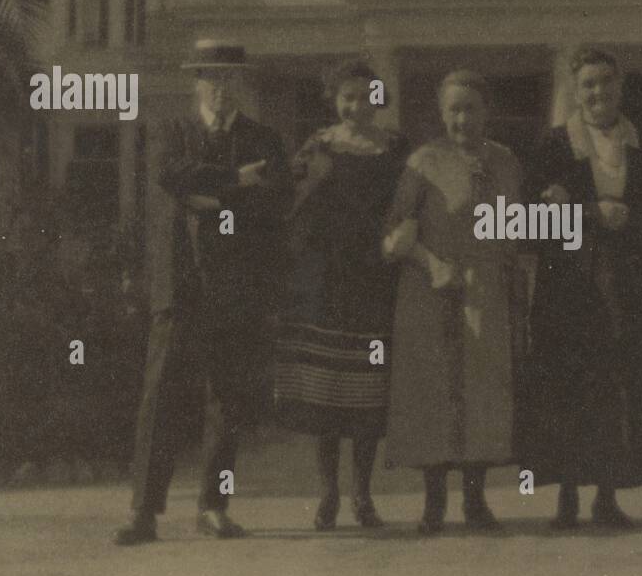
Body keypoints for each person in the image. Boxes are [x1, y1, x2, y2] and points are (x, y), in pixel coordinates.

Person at [115, 39, 290, 545]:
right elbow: (170, 174)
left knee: (227, 400)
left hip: (237, 287)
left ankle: (214, 506)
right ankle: (143, 511)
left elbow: (276, 202)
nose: (220, 87)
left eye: (230, 77)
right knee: (160, 396)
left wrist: (207, 196)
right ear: (195, 83)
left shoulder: (264, 139)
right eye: (210, 77)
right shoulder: (173, 131)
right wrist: (236, 180)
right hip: (179, 282)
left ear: (243, 83)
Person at [517, 47, 642, 528]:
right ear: (575, 90)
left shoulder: (640, 143)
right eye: (588, 84)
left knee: (617, 386)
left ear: (620, 85)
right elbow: (525, 223)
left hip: (626, 284)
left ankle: (607, 496)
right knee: (568, 386)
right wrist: (587, 213)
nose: (598, 92)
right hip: (568, 288)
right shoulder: (553, 146)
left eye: (606, 81)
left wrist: (632, 219)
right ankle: (565, 495)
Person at [381, 69, 523, 535]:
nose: (463, 119)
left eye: (471, 109)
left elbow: (515, 227)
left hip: (484, 289)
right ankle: (434, 503)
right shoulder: (423, 162)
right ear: (442, 114)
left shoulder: (505, 161)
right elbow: (395, 232)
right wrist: (430, 262)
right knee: (433, 391)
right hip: (431, 288)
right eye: (453, 110)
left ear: (487, 112)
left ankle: (476, 501)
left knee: (482, 392)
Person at [276, 57, 408, 530]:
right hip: (328, 280)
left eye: (365, 97)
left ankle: (363, 495)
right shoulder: (317, 147)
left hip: (375, 278)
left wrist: (398, 236)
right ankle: (329, 491)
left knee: (368, 394)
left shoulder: (394, 149)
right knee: (328, 392)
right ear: (334, 100)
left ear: (379, 100)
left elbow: (409, 205)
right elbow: (293, 206)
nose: (356, 106)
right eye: (347, 97)